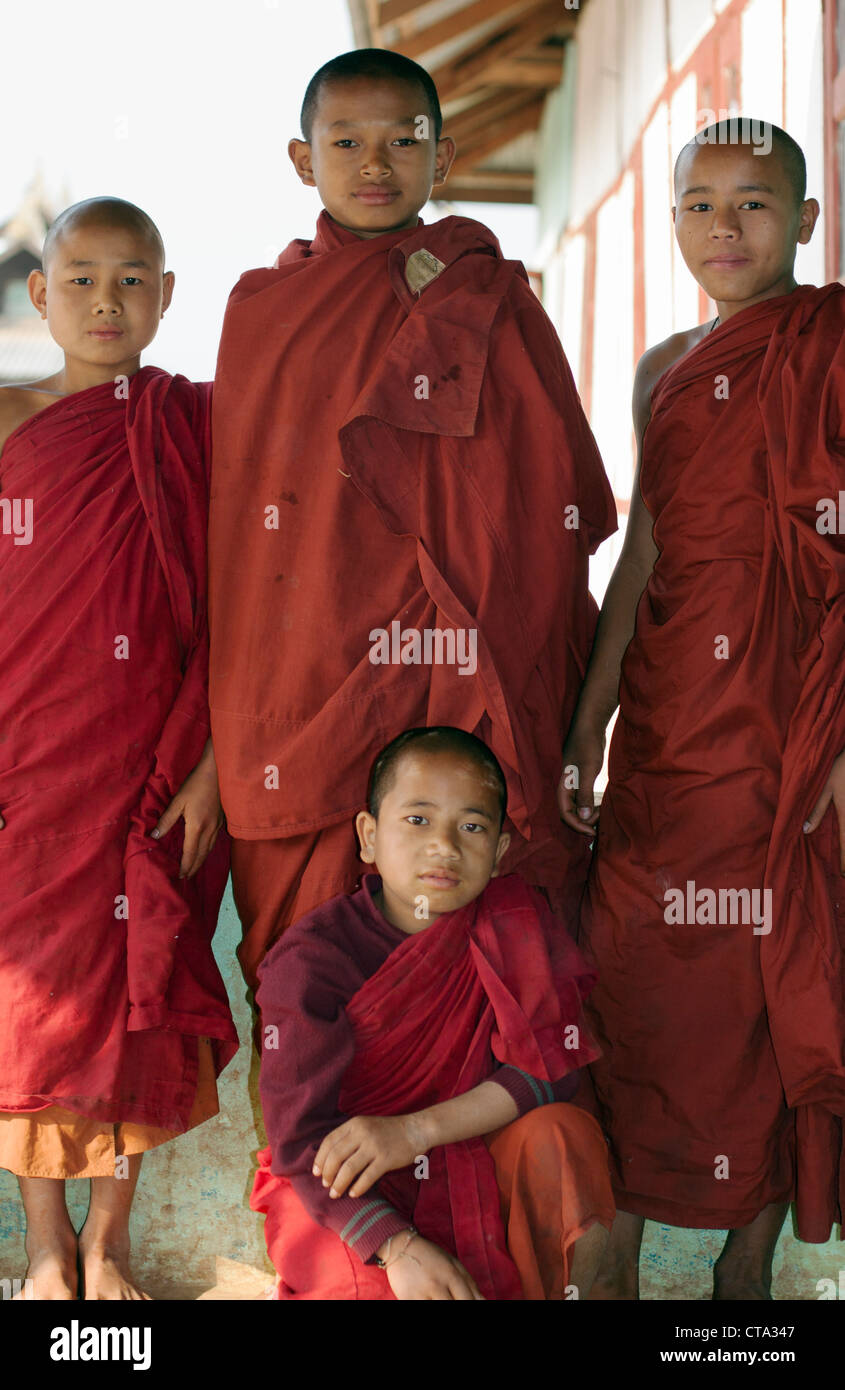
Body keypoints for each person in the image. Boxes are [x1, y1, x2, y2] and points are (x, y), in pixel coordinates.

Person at [208, 47, 616, 995]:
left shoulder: (486, 292)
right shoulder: (262, 311)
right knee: (307, 978)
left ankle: (457, 1141)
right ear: (303, 160)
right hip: (300, 675)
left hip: (454, 668)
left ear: (445, 155)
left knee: (463, 935)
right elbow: (239, 515)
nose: (376, 161)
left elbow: (549, 497)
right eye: (346, 140)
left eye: (405, 139)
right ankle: (305, 1144)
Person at [559, 119, 845, 1300]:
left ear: (805, 223)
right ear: (671, 219)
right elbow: (645, 552)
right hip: (673, 720)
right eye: (699, 206)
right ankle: (616, 1230)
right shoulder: (661, 369)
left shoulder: (830, 346)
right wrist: (588, 716)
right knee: (625, 962)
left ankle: (749, 1256)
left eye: (754, 204)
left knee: (759, 969)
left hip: (792, 713)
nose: (724, 230)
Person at [0, 197, 237, 1300]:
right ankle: (45, 1243)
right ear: (41, 295)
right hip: (27, 756)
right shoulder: (8, 420)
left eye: (132, 278)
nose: (106, 300)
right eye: (82, 278)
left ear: (166, 296)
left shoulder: (196, 426)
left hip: (151, 760)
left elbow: (244, 606)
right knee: (32, 1001)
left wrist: (213, 765)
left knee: (135, 990)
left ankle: (109, 1241)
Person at [251, 726, 615, 1300]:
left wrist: (416, 1132)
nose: (445, 846)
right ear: (368, 837)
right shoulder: (313, 960)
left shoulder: (515, 924)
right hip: (350, 1183)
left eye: (471, 827)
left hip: (475, 1153)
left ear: (497, 853)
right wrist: (396, 1245)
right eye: (417, 820)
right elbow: (300, 1143)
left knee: (563, 1137)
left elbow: (553, 1071)